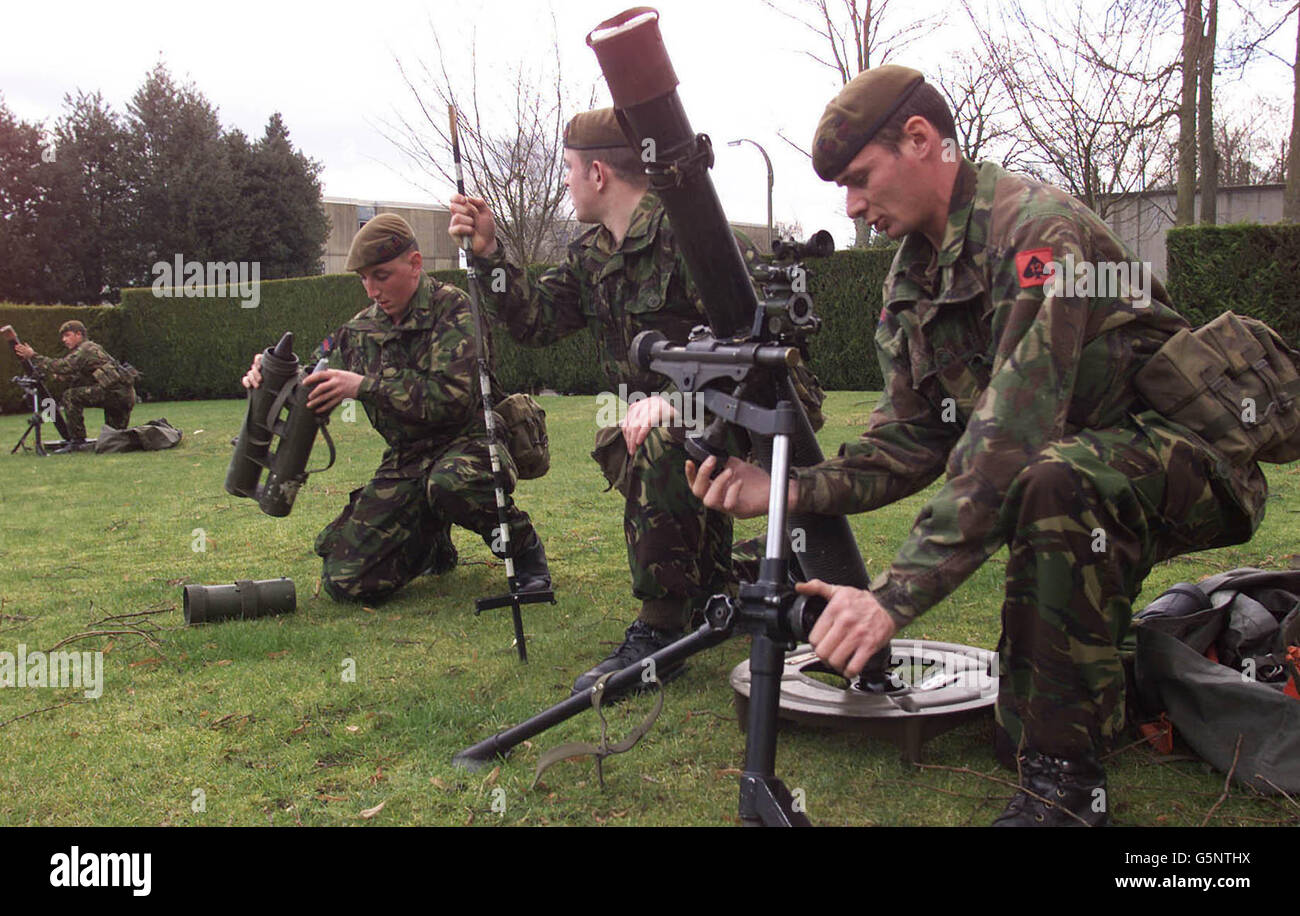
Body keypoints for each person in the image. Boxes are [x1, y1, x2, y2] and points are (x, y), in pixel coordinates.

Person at [687, 66, 1266, 826]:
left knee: (1055, 481)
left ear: (921, 140)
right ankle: (1110, 689)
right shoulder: (911, 282)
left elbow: (1011, 438)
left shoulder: (1038, 232)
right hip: (1085, 465)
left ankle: (1065, 789)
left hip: (1191, 459)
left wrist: (890, 600)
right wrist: (787, 491)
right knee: (1019, 715)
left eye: (860, 179)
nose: (853, 206)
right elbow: (912, 437)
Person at [449, 108, 825, 695]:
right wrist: (489, 251)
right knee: (699, 566)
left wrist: (678, 399)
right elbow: (535, 321)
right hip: (672, 424)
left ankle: (659, 634)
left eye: (569, 169)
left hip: (751, 408)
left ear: (598, 173)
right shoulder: (592, 253)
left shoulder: (694, 236)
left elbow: (768, 346)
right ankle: (753, 581)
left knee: (655, 436)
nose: (566, 182)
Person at [241, 213, 550, 604]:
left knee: (450, 484)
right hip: (406, 461)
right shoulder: (357, 332)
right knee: (345, 581)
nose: (372, 290)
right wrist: (267, 375)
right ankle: (431, 541)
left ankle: (525, 553)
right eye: (364, 279)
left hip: (470, 443)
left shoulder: (454, 310)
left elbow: (451, 398)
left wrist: (365, 387)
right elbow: (311, 377)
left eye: (381, 276)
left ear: (415, 264)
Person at [14, 320, 135, 451]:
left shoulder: (86, 348)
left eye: (67, 335)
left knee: (70, 396)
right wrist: (62, 375)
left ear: (79, 334)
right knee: (114, 441)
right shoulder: (92, 348)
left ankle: (77, 441)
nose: (64, 340)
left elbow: (63, 366)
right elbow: (83, 376)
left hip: (114, 394)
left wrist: (33, 356)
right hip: (124, 396)